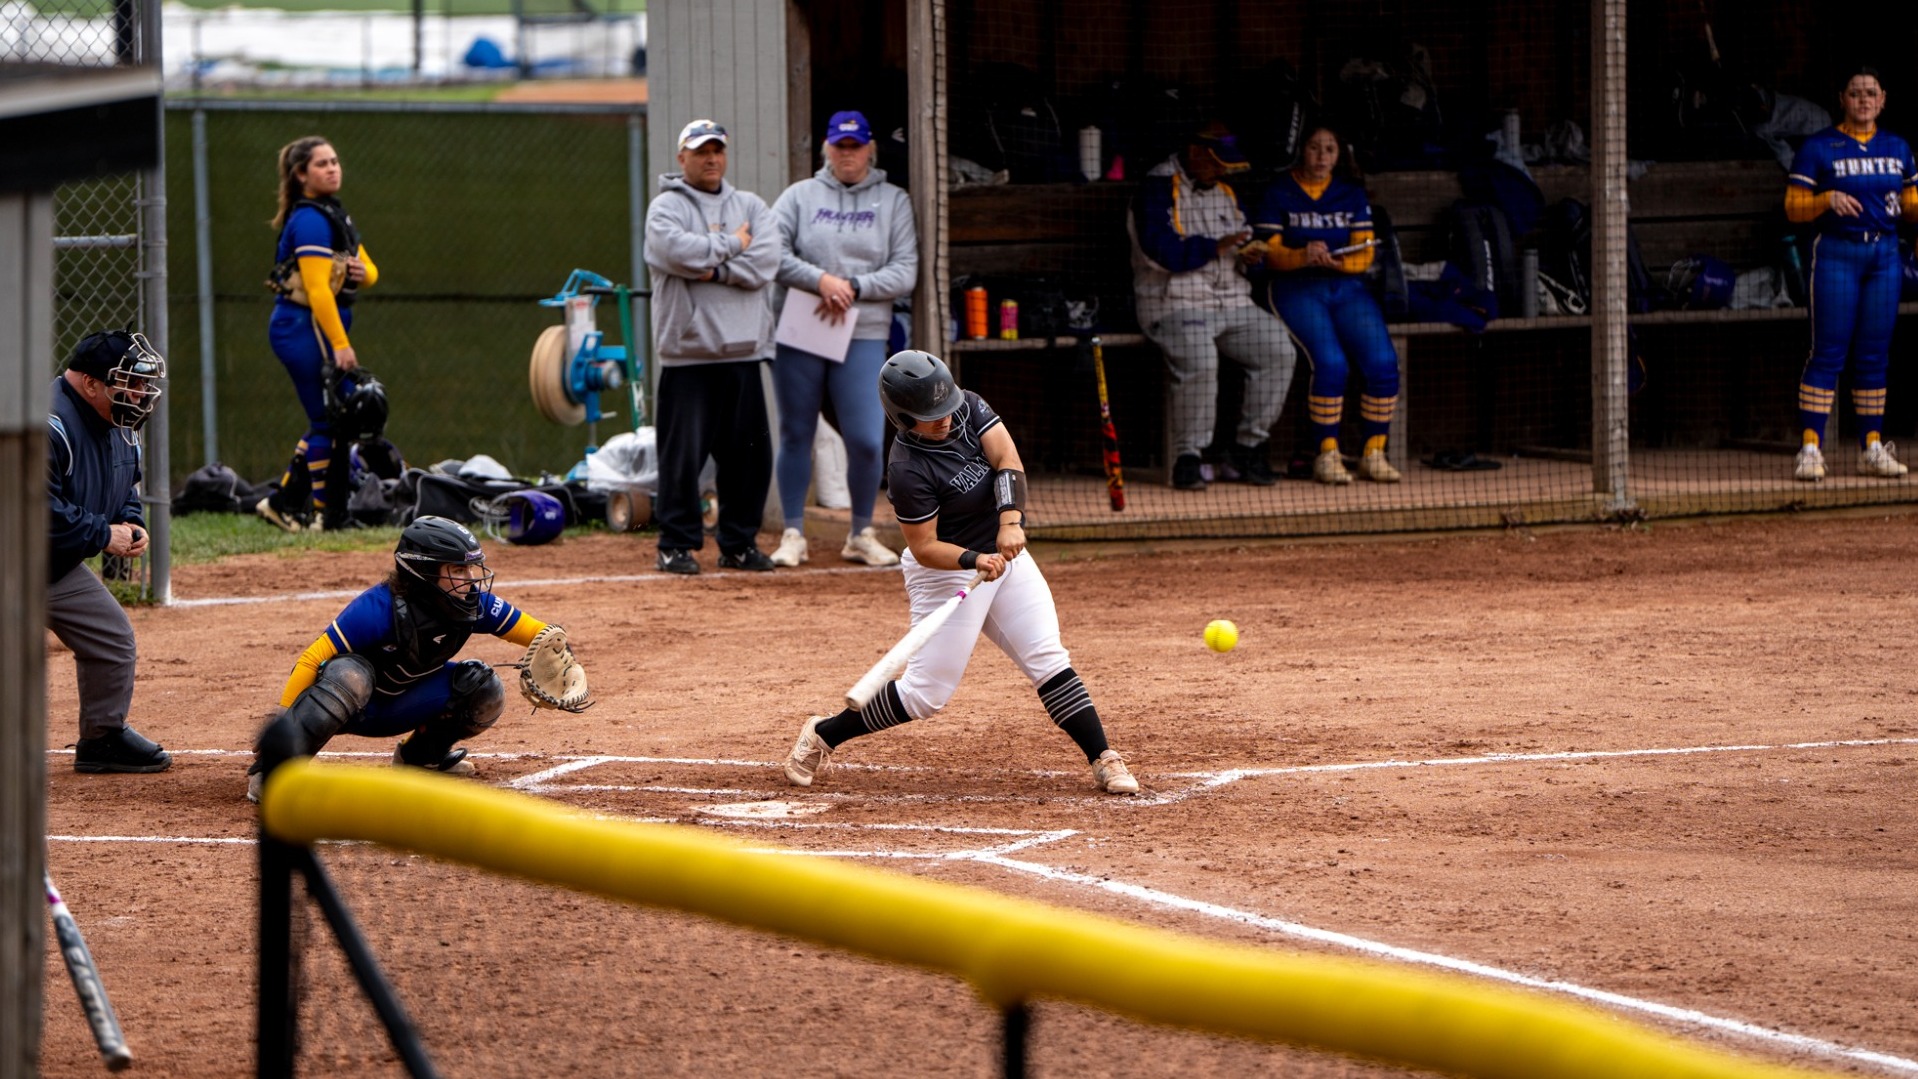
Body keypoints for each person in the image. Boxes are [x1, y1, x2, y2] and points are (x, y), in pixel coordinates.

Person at [780, 350, 1139, 796]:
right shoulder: (907, 469)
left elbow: (1007, 457)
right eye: (931, 416)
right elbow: (924, 547)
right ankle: (824, 734)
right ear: (903, 418)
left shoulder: (967, 405)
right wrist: (974, 559)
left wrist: (1009, 521)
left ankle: (1103, 757)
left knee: (1047, 657)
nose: (946, 419)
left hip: (1005, 555)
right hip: (947, 572)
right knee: (925, 694)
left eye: (946, 406)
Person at [246, 516, 560, 802]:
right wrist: (282, 726)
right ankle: (277, 769)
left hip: (402, 704)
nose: (470, 579)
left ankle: (420, 759)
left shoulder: (469, 603)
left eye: (470, 568)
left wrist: (560, 651)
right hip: (346, 705)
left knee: (482, 686)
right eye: (457, 569)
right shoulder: (378, 608)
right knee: (349, 674)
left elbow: (537, 632)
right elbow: (312, 658)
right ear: (424, 571)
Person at [767, 109, 918, 568]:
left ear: (870, 149)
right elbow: (770, 254)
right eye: (839, 146)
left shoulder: (894, 200)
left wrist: (852, 286)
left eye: (855, 146)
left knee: (868, 438)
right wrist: (820, 281)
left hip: (864, 331)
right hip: (802, 328)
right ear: (826, 150)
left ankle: (860, 532)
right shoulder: (798, 196)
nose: (847, 154)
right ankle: (793, 532)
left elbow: (905, 270)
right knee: (796, 431)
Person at [1128, 120, 1298, 491]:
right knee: (1202, 361)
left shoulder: (1225, 191)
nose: (1222, 170)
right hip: (1174, 303)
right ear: (1195, 151)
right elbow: (1161, 253)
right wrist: (1218, 246)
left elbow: (1240, 242)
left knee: (1278, 350)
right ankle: (1189, 457)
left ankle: (1247, 449)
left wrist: (1248, 256)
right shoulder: (1157, 188)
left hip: (1232, 302)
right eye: (1216, 161)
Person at [644, 119, 780, 574]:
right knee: (682, 459)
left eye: (717, 150)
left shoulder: (751, 205)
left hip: (743, 353)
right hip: (689, 355)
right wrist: (731, 244)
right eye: (701, 151)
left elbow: (765, 262)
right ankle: (675, 545)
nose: (711, 159)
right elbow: (674, 251)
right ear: (682, 158)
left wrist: (716, 267)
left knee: (750, 458)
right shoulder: (665, 207)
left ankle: (739, 544)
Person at [1785, 68, 1918, 482]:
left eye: (1871, 93)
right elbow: (1793, 207)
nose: (1863, 100)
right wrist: (1826, 198)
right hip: (1837, 256)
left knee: (1875, 353)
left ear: (1882, 100)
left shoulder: (1898, 147)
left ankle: (1872, 447)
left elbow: (1911, 203)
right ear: (1842, 98)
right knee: (1828, 351)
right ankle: (1810, 448)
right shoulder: (1819, 147)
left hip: (1884, 256)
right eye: (1855, 93)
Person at [47, 330, 171, 773]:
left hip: (52, 567)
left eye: (142, 383)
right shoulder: (47, 425)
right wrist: (103, 534)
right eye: (130, 383)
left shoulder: (120, 423)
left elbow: (125, 488)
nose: (139, 394)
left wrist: (131, 522)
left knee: (111, 639)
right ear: (91, 383)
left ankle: (102, 738)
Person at [1251, 125, 1402, 485]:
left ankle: (1373, 453)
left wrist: (1341, 263)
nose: (1321, 157)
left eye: (1330, 149)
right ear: (1301, 150)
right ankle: (1326, 454)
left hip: (1345, 286)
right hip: (1295, 287)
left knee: (1382, 362)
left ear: (1339, 154)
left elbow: (1365, 250)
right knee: (1331, 362)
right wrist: (1300, 256)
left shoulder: (1350, 193)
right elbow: (1265, 253)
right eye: (1315, 148)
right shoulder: (1279, 191)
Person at [255, 135, 379, 532]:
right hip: (302, 326)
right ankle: (325, 515)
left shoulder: (333, 213)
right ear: (301, 174)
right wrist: (340, 345)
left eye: (335, 160)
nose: (332, 168)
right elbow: (317, 288)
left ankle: (286, 503)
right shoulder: (309, 218)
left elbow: (370, 271)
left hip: (320, 325)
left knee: (337, 416)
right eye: (322, 163)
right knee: (333, 416)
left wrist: (362, 273)